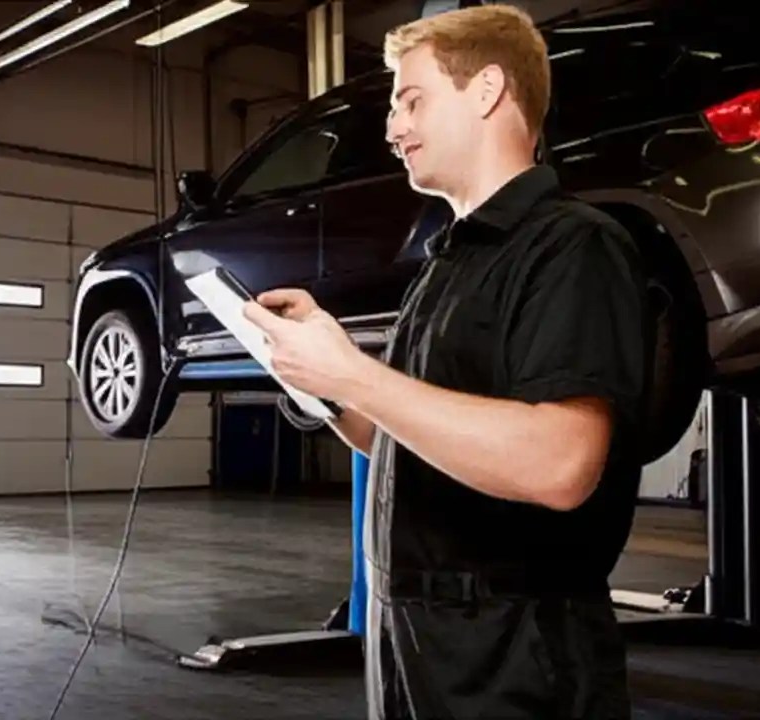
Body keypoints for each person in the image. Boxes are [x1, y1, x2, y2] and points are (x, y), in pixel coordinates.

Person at [242, 4, 649, 719]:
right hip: (415, 647)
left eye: (412, 99)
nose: (394, 127)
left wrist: (356, 373)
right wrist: (322, 383)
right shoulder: (443, 267)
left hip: (517, 661)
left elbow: (561, 464)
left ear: (488, 90)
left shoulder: (573, 248)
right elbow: (397, 441)